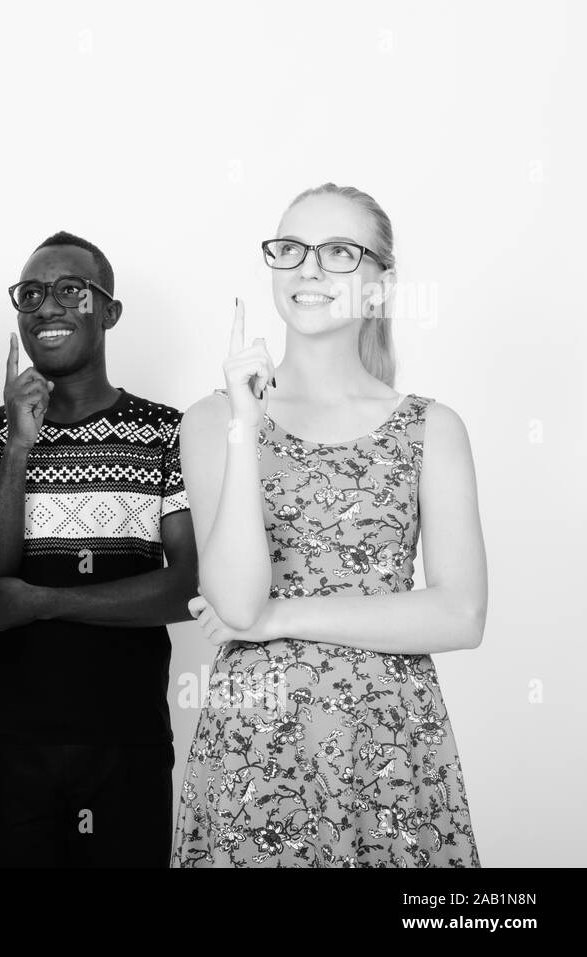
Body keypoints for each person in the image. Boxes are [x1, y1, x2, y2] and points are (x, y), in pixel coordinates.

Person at [173, 183, 485, 867]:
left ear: (379, 284)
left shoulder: (432, 427)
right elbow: (235, 602)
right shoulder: (210, 420)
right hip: (256, 749)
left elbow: (459, 614)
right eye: (291, 249)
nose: (308, 268)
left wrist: (281, 618)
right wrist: (242, 426)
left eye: (339, 251)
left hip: (393, 750)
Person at [0, 231, 198, 867]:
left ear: (108, 311)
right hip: (11, 742)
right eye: (31, 295)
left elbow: (186, 586)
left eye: (70, 292)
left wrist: (41, 601)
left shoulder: (169, 434)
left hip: (127, 740)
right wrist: (19, 447)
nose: (48, 307)